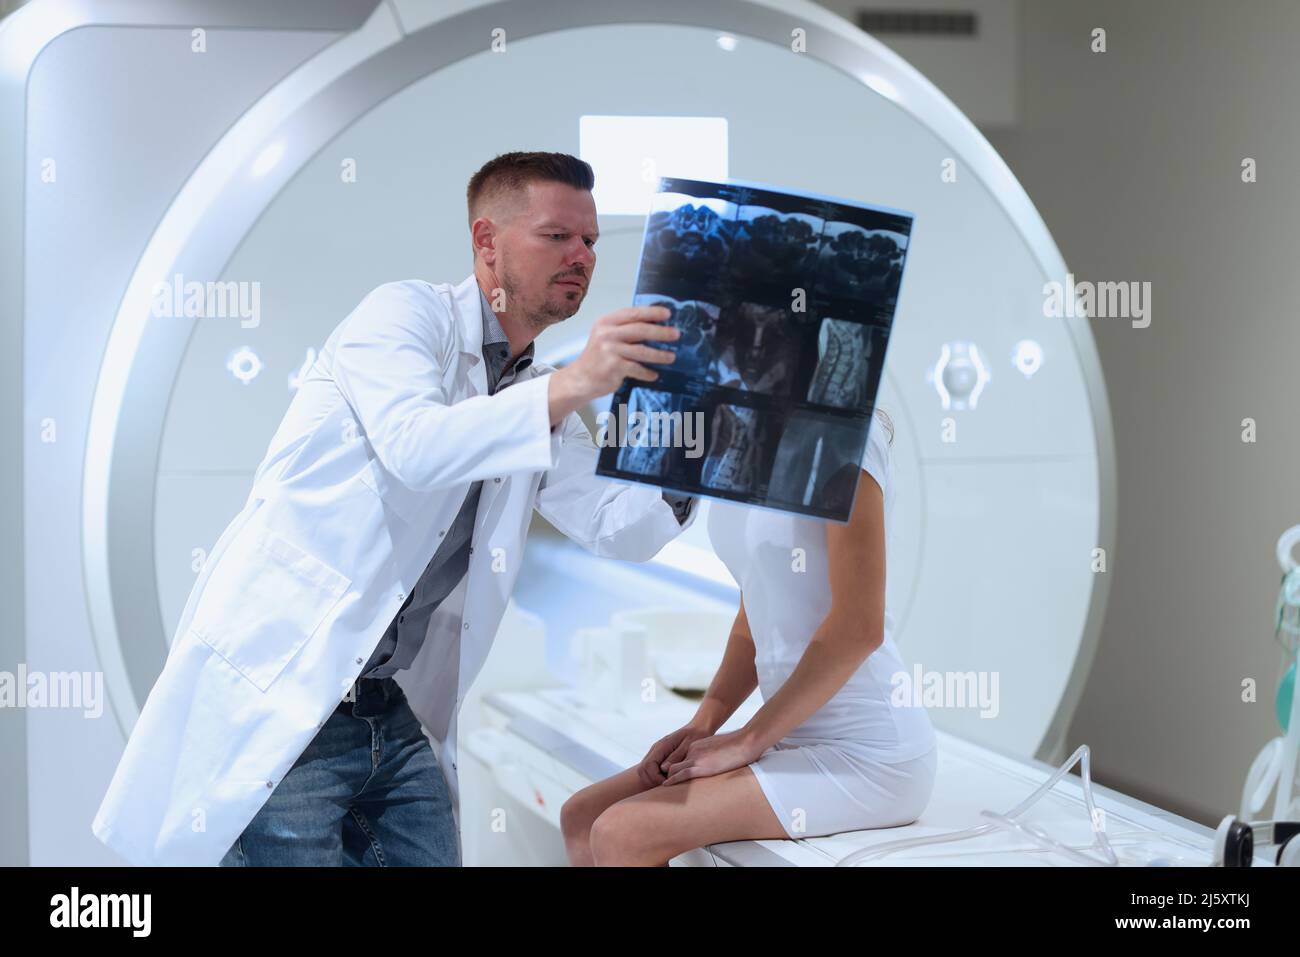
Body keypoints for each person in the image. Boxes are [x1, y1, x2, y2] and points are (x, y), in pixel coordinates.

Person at [92, 151, 699, 866]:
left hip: (390, 715)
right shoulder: (403, 316)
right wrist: (573, 384)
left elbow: (613, 523)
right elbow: (418, 445)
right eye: (557, 236)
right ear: (486, 241)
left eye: (591, 241)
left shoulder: (532, 391)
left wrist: (700, 442)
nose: (581, 256)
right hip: (294, 700)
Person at [560, 409, 938, 866]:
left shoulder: (845, 436)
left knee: (622, 832)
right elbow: (754, 609)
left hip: (869, 753)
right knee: (581, 816)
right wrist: (704, 724)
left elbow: (859, 627)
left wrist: (749, 740)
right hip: (787, 733)